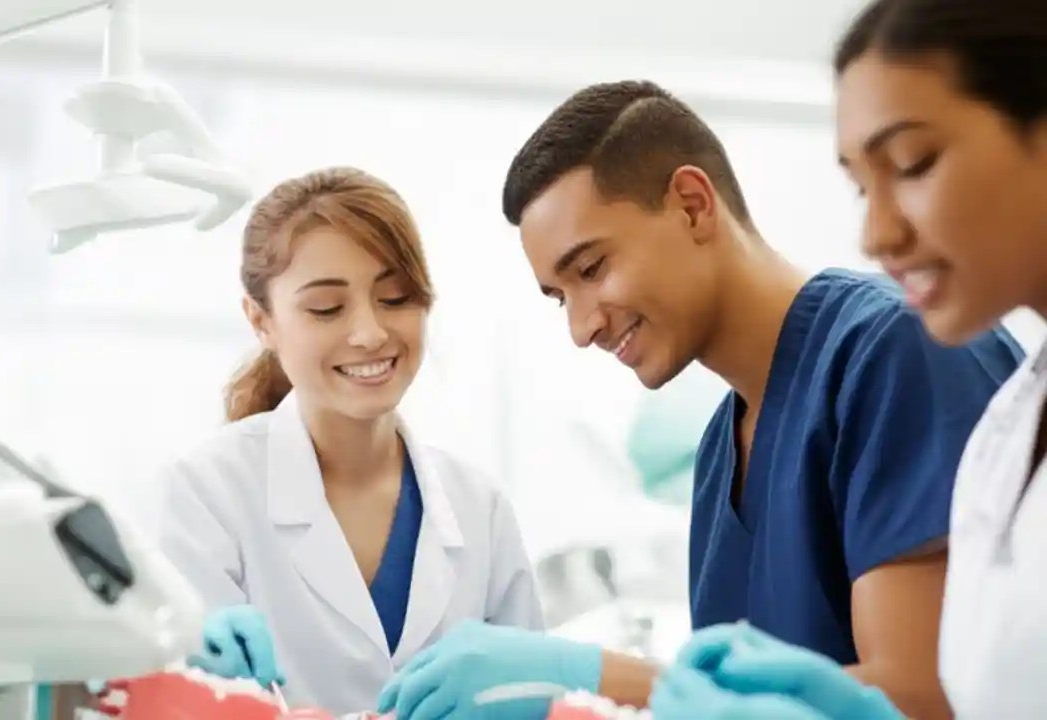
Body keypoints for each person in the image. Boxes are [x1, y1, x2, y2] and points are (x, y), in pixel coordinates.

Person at [377, 80, 1024, 720]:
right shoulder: (722, 451)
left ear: (691, 204)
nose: (581, 327)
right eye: (558, 296)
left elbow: (923, 698)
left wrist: (600, 677)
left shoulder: (895, 352)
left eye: (592, 268)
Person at [651, 0, 1047, 718]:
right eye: (864, 187)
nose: (876, 233)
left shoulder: (891, 352)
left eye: (913, 164)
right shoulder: (1007, 434)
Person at [155, 167, 544, 714]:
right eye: (326, 309)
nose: (369, 333)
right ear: (261, 320)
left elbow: (533, 698)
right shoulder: (208, 493)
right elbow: (179, 703)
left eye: (395, 297)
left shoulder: (479, 507)